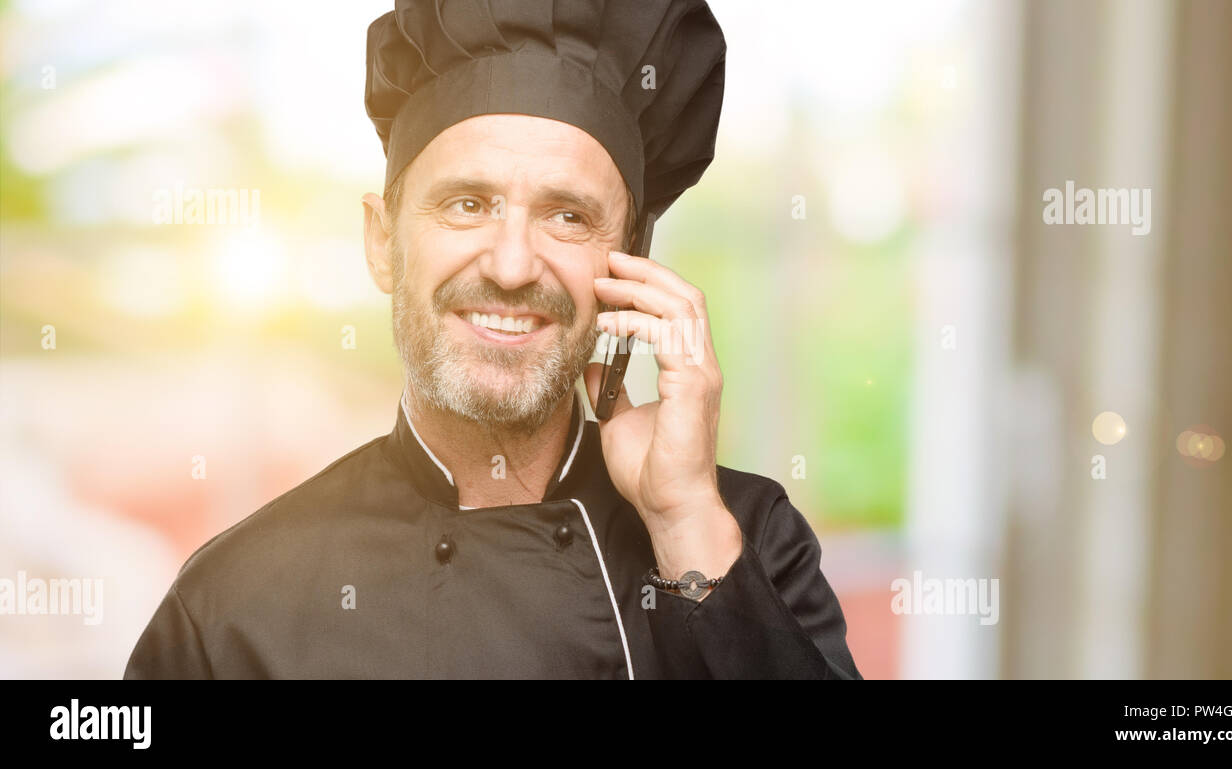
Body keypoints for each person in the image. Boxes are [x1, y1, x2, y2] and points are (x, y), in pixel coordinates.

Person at [124, 0, 861, 679]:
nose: (512, 266)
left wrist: (681, 520)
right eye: (467, 204)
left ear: (630, 262)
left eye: (567, 215)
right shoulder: (233, 609)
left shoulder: (742, 535)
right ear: (382, 243)